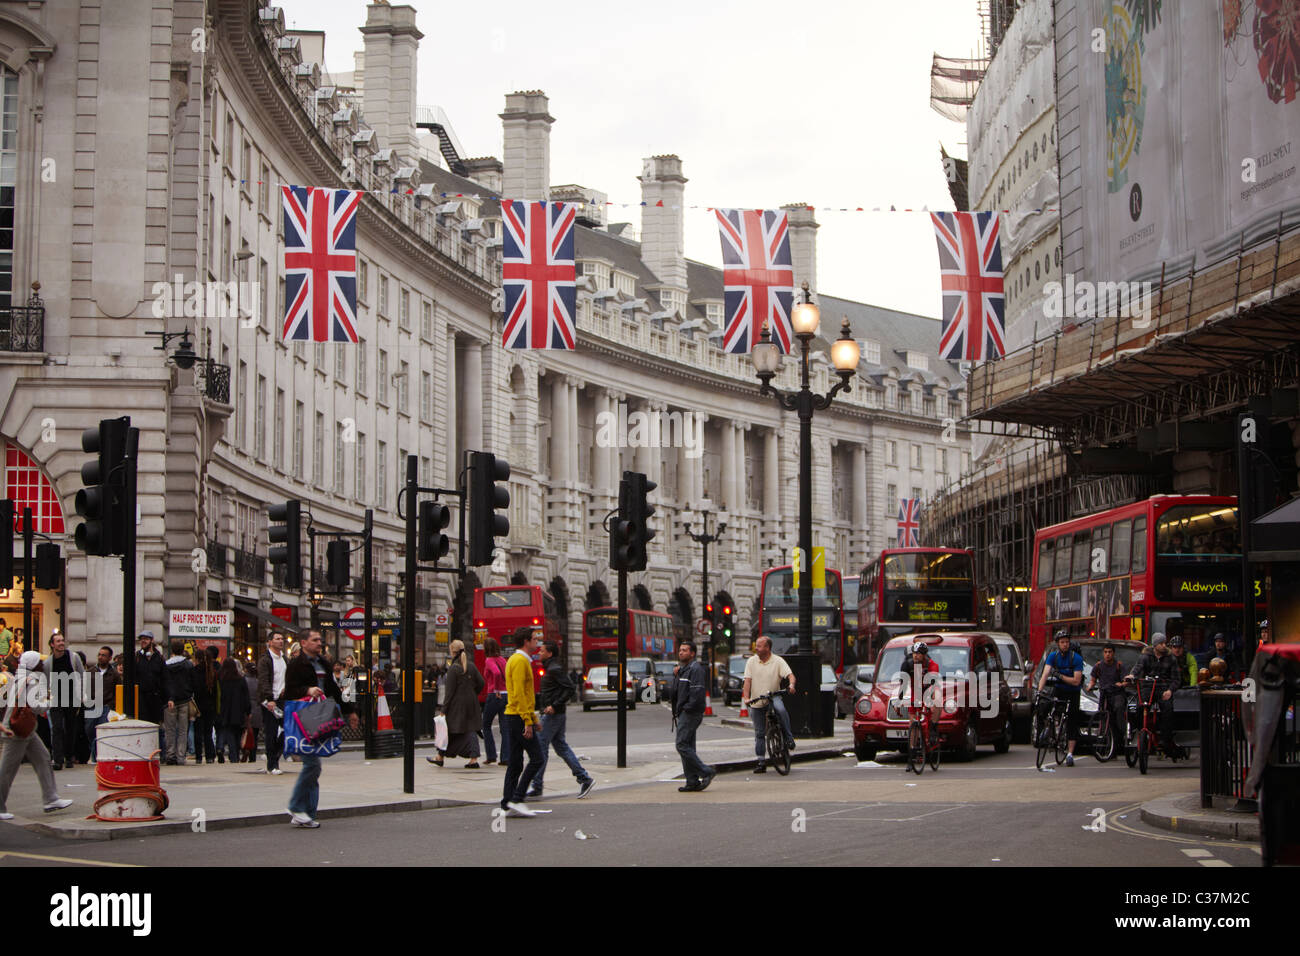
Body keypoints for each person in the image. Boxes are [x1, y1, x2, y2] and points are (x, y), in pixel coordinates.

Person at [280, 629, 342, 828]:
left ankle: (306, 814)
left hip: (320, 715)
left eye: (320, 640)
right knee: (312, 765)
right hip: (303, 718)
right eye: (315, 640)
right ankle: (296, 806)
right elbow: (289, 691)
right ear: (303, 642)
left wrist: (349, 710)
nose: (319, 642)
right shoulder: (297, 664)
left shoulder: (323, 662)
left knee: (313, 767)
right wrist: (308, 690)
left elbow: (332, 688)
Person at [0, 652, 74, 819]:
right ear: (34, 665)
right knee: (7, 771)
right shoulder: (31, 679)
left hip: (23, 729)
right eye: (39, 662)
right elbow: (36, 708)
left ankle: (51, 798)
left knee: (43, 758)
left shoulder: (18, 676)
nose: (42, 664)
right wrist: (50, 702)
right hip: (17, 731)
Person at [528, 640, 595, 798]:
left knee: (540, 747)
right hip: (554, 713)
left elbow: (570, 688)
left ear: (549, 653)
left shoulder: (555, 669)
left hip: (553, 715)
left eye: (542, 651)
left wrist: (555, 705)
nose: (539, 653)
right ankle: (584, 778)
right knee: (560, 747)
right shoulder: (551, 668)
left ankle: (537, 785)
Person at [500, 628, 543, 817]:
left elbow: (525, 694)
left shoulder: (520, 660)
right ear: (526, 641)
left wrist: (533, 718)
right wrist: (528, 721)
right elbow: (519, 694)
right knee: (537, 758)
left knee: (516, 762)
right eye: (534, 639)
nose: (537, 642)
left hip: (515, 715)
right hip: (518, 716)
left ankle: (506, 803)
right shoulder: (519, 661)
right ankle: (517, 798)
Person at [741, 635, 796, 773]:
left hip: (773, 696)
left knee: (781, 710)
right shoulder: (751, 662)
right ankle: (761, 761)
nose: (756, 648)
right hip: (757, 700)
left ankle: (789, 738)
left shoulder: (777, 661)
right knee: (759, 733)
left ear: (767, 647)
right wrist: (746, 698)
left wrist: (791, 685)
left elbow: (790, 675)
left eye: (759, 646)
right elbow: (747, 681)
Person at [428, 639, 484, 769]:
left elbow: (449, 692)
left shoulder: (454, 668)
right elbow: (481, 682)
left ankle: (440, 757)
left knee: (448, 730)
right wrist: (472, 692)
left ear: (453, 652)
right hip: (472, 702)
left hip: (457, 705)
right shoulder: (471, 665)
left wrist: (443, 709)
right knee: (470, 729)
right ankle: (473, 759)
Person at [1127, 632, 1183, 757]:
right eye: (1161, 643)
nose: (1164, 646)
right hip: (1147, 687)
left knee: (1168, 709)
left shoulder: (1171, 658)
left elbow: (1176, 679)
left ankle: (1165, 738)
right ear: (1155, 645)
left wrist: (1170, 691)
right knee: (1140, 707)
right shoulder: (1145, 656)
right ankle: (1141, 732)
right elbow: (1138, 668)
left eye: (1164, 643)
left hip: (1163, 688)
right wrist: (1132, 675)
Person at [670, 640, 714, 793]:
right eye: (680, 650)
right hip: (684, 712)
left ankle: (706, 771)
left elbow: (697, 692)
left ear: (692, 653)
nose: (681, 652)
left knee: (681, 745)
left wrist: (686, 708)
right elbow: (676, 691)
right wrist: (678, 674)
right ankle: (692, 781)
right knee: (688, 746)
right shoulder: (684, 669)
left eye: (685, 650)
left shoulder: (696, 669)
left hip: (690, 713)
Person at [1037, 630, 1083, 766]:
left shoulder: (1076, 658)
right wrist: (1039, 691)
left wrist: (1060, 676)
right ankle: (1050, 728)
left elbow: (1076, 681)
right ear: (1058, 644)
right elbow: (1045, 674)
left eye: (1067, 642)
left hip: (1073, 691)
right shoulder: (1053, 656)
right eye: (1062, 642)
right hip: (1059, 689)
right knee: (1047, 705)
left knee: (1072, 721)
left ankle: (1069, 754)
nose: (1065, 645)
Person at [45, 633, 84, 771]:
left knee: (70, 728)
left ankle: (69, 757)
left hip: (72, 698)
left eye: (62, 640)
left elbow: (81, 675)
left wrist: (82, 695)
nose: (61, 643)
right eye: (58, 641)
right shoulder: (48, 662)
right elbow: (45, 681)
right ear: (52, 644)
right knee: (56, 728)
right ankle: (58, 759)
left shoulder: (73, 658)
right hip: (56, 699)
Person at [897, 640, 942, 743]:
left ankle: (933, 727)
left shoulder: (932, 665)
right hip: (916, 690)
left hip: (929, 689)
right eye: (913, 653)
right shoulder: (907, 665)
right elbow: (903, 685)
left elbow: (932, 683)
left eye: (918, 653)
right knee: (912, 722)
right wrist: (899, 702)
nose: (915, 656)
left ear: (924, 655)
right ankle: (912, 748)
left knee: (937, 698)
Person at [257, 632, 288, 775]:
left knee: (286, 730)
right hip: (269, 701)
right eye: (277, 639)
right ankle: (272, 764)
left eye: (282, 639)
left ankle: (275, 757)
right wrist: (269, 698)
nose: (281, 641)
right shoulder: (265, 660)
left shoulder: (284, 660)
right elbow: (263, 680)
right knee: (271, 732)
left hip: (282, 700)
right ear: (270, 642)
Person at [162, 640, 197, 765]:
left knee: (170, 729)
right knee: (183, 729)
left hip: (169, 701)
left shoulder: (166, 665)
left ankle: (170, 754)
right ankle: (181, 755)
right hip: (185, 699)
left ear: (172, 650)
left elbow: (164, 683)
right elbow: (193, 682)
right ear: (183, 650)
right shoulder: (188, 665)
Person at [1086, 644, 1128, 747]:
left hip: (1117, 694)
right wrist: (1090, 686)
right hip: (1104, 694)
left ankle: (1122, 733)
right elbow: (1093, 680)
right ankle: (1107, 739)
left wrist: (1122, 684)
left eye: (1110, 652)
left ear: (1113, 653)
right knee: (1103, 715)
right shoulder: (1098, 666)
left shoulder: (1119, 665)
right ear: (1103, 653)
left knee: (1118, 710)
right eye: (1105, 652)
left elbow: (1126, 681)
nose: (1107, 654)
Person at [84, 646, 118, 763]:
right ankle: (93, 753)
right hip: (92, 705)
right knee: (90, 730)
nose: (100, 657)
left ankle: (97, 757)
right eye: (99, 654)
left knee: (102, 730)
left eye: (103, 655)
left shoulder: (114, 674)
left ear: (109, 658)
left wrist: (113, 704)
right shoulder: (90, 672)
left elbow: (118, 690)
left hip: (106, 706)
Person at [480, 636, 510, 766]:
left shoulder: (489, 660)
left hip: (494, 694)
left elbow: (496, 674)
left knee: (486, 725)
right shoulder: (503, 659)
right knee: (505, 728)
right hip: (506, 695)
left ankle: (491, 755)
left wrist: (496, 688)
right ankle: (505, 757)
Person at [134, 630, 166, 747]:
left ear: (152, 641)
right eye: (141, 639)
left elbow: (164, 679)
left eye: (146, 639)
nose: (143, 641)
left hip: (155, 697)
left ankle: (157, 751)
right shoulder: (137, 657)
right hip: (141, 697)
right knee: (142, 724)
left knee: (156, 726)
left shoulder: (159, 658)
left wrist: (168, 698)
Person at [216, 657, 250, 764]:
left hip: (226, 711)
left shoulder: (222, 680)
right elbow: (246, 696)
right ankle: (236, 753)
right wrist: (248, 711)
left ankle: (233, 755)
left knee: (230, 733)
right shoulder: (241, 679)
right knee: (238, 733)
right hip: (238, 711)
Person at [192, 646, 221, 764]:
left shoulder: (194, 671)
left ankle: (198, 756)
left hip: (197, 706)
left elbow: (193, 688)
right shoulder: (212, 672)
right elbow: (215, 693)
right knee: (208, 732)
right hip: (210, 706)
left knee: (197, 732)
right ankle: (210, 756)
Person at [242, 658, 262, 762]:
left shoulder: (244, 681)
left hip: (246, 708)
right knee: (255, 734)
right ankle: (252, 756)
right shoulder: (259, 682)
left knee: (245, 732)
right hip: (257, 709)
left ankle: (245, 750)